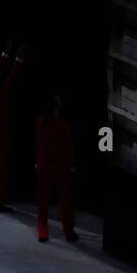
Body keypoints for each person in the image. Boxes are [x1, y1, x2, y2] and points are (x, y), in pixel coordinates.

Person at [0, 40, 24, 211]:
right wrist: (19, 58)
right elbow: (11, 76)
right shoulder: (0, 97)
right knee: (0, 170)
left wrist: (7, 52)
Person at [35, 94, 77, 243]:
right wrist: (71, 164)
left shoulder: (40, 123)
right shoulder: (62, 124)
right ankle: (68, 232)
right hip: (60, 166)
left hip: (44, 165)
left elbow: (38, 144)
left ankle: (42, 233)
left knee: (43, 202)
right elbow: (69, 147)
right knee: (64, 200)